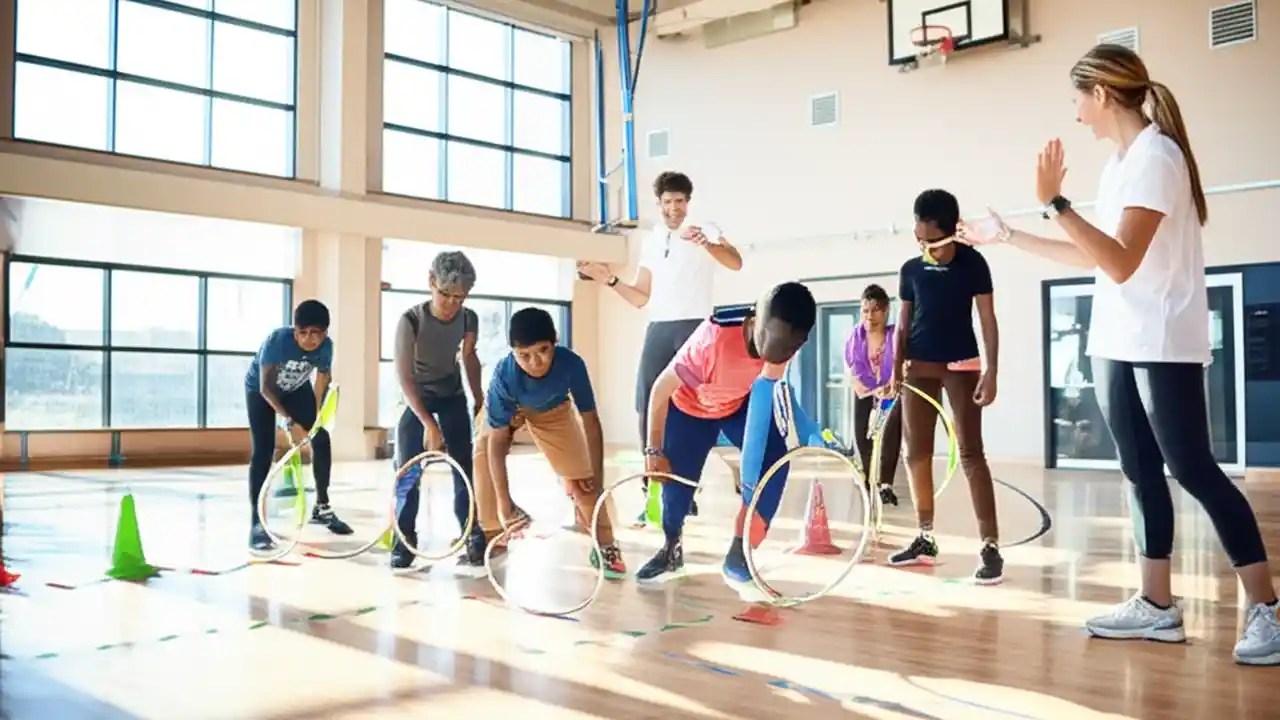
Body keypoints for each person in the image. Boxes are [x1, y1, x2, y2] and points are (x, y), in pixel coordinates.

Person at [959, 43, 1279, 664]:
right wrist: (1013, 236)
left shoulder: (1158, 157)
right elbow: (1090, 257)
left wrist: (1055, 202)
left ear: (1102, 94)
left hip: (1162, 340)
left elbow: (1124, 261)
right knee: (1139, 471)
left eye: (1078, 97)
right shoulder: (1119, 164)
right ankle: (1156, 605)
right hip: (1114, 340)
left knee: (1193, 470)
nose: (1076, 112)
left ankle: (1266, 607)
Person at [577, 171, 743, 523]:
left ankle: (685, 491)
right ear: (660, 204)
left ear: (688, 202)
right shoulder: (652, 241)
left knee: (691, 410)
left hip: (695, 328)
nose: (674, 208)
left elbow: (735, 262)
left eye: (680, 201)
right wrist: (607, 277)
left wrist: (708, 245)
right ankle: (651, 492)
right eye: (667, 202)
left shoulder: (705, 230)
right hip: (658, 329)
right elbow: (640, 297)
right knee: (647, 406)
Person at [640, 283, 817, 588]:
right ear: (754, 323)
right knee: (676, 486)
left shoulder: (784, 342)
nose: (779, 356)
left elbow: (765, 401)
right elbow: (659, 389)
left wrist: (811, 432)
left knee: (775, 461)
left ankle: (740, 550)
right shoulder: (713, 340)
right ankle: (671, 548)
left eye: (790, 349)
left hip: (737, 406)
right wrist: (654, 450)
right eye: (773, 346)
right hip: (690, 408)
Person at [887, 189, 1003, 585]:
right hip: (918, 366)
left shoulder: (973, 263)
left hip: (962, 365)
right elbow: (903, 323)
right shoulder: (911, 268)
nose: (918, 233)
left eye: (924, 227)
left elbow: (987, 319)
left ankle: (990, 545)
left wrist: (992, 371)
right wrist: (894, 367)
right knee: (915, 452)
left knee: (971, 453)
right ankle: (925, 537)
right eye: (917, 225)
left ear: (946, 229)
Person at [483, 307, 626, 576]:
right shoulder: (504, 374)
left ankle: (605, 545)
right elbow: (497, 441)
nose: (535, 362)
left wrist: (597, 478)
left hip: (552, 412)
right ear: (513, 352)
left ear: (555, 341)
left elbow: (591, 422)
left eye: (543, 351)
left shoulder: (571, 363)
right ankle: (490, 531)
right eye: (524, 355)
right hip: (509, 410)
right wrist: (504, 501)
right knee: (482, 452)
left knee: (584, 485)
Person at [390, 251, 486, 570]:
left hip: (451, 394)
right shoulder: (411, 320)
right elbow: (404, 377)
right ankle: (404, 537)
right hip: (418, 397)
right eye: (446, 295)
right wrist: (429, 425)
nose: (452, 305)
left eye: (460, 298)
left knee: (463, 466)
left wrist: (479, 399)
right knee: (408, 469)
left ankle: (471, 532)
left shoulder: (468, 318)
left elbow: (469, 359)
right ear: (431, 283)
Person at [244, 299, 352, 550]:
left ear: (325, 333)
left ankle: (322, 508)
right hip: (261, 392)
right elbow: (266, 388)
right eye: (302, 333)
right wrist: (289, 421)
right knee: (263, 451)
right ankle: (257, 524)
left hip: (295, 389)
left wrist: (313, 418)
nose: (308, 339)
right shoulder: (277, 341)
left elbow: (322, 381)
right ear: (295, 331)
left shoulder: (326, 347)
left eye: (315, 333)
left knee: (321, 438)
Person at [845, 283, 903, 506]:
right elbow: (850, 368)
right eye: (866, 311)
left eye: (876, 310)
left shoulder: (894, 335)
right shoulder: (855, 337)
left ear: (886, 311)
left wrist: (890, 386)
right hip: (865, 388)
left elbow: (901, 363)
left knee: (890, 431)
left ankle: (886, 484)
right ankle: (869, 480)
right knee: (862, 434)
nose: (870, 316)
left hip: (889, 388)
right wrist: (866, 389)